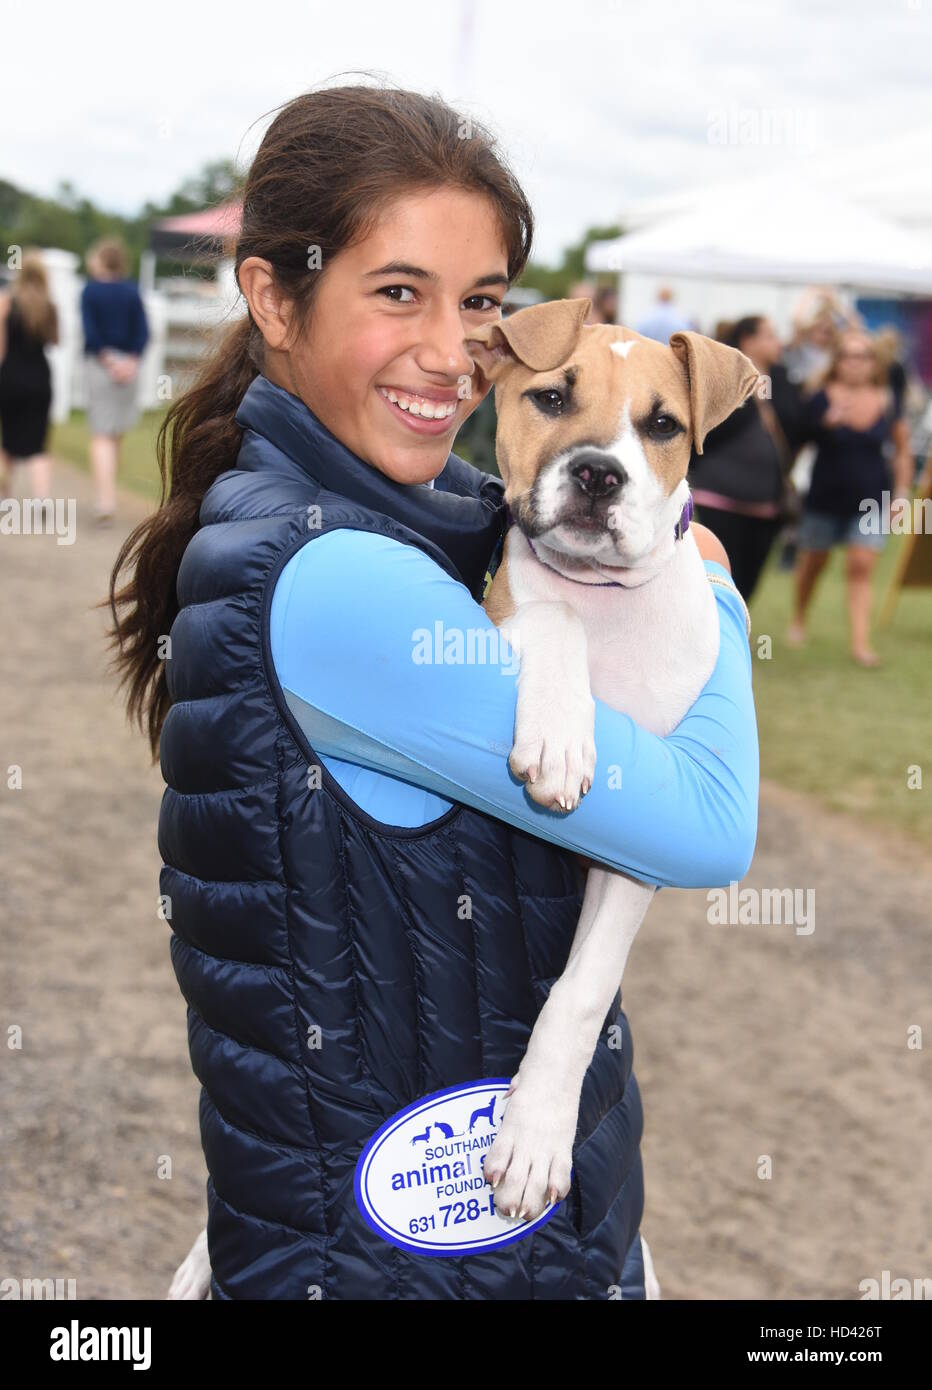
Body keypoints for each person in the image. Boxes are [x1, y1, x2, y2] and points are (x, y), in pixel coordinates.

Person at [105, 84, 758, 1301]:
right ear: (271, 298)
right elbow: (708, 822)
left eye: (482, 303)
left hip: (467, 1220)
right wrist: (708, 581)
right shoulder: (335, 579)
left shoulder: (415, 518)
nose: (454, 349)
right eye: (396, 292)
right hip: (405, 1256)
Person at [788, 329, 913, 666]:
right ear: (837, 361)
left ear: (873, 362)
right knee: (814, 563)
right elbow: (798, 441)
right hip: (825, 497)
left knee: (861, 565)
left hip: (871, 497)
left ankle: (860, 644)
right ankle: (799, 618)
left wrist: (901, 495)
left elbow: (902, 451)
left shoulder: (886, 399)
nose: (856, 363)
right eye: (849, 356)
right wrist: (825, 423)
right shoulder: (819, 397)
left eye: (863, 356)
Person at [689, 316, 804, 602]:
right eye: (768, 335)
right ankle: (711, 635)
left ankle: (737, 632)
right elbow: (708, 431)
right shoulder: (723, 377)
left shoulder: (781, 378)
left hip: (766, 504)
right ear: (748, 340)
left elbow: (797, 426)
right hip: (719, 496)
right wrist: (749, 396)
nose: (776, 342)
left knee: (748, 582)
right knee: (716, 575)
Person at [81, 235, 149, 524]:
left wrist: (110, 362)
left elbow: (90, 332)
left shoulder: (90, 292)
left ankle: (104, 499)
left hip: (101, 365)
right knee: (116, 431)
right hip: (129, 367)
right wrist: (130, 361)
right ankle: (109, 493)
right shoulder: (132, 292)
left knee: (101, 433)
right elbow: (143, 331)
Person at [0, 250, 59, 498]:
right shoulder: (49, 306)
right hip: (40, 379)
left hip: (10, 378)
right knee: (38, 444)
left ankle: (4, 497)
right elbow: (55, 340)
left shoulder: (6, 302)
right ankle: (41, 498)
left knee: (8, 442)